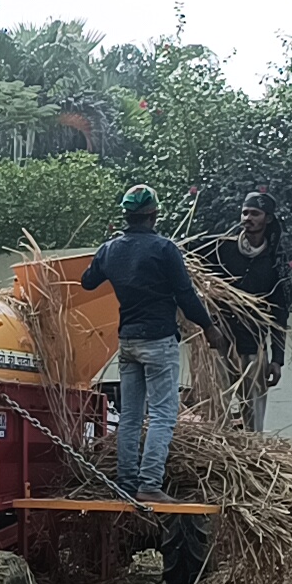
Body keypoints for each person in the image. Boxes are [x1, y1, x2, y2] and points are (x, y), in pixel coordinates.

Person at [80, 184, 227, 503]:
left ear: (127, 215)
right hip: (159, 340)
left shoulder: (110, 249)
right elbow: (186, 295)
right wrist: (209, 327)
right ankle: (149, 484)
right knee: (162, 414)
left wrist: (108, 258)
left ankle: (126, 484)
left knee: (131, 417)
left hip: (128, 342)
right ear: (153, 215)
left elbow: (87, 282)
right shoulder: (164, 249)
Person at [202, 191, 292, 431]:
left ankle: (252, 456)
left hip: (253, 346)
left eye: (255, 213)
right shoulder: (221, 249)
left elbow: (280, 312)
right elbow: (184, 262)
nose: (247, 218)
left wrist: (278, 360)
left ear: (268, 219)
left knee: (253, 418)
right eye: (245, 212)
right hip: (219, 344)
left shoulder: (275, 260)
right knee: (215, 412)